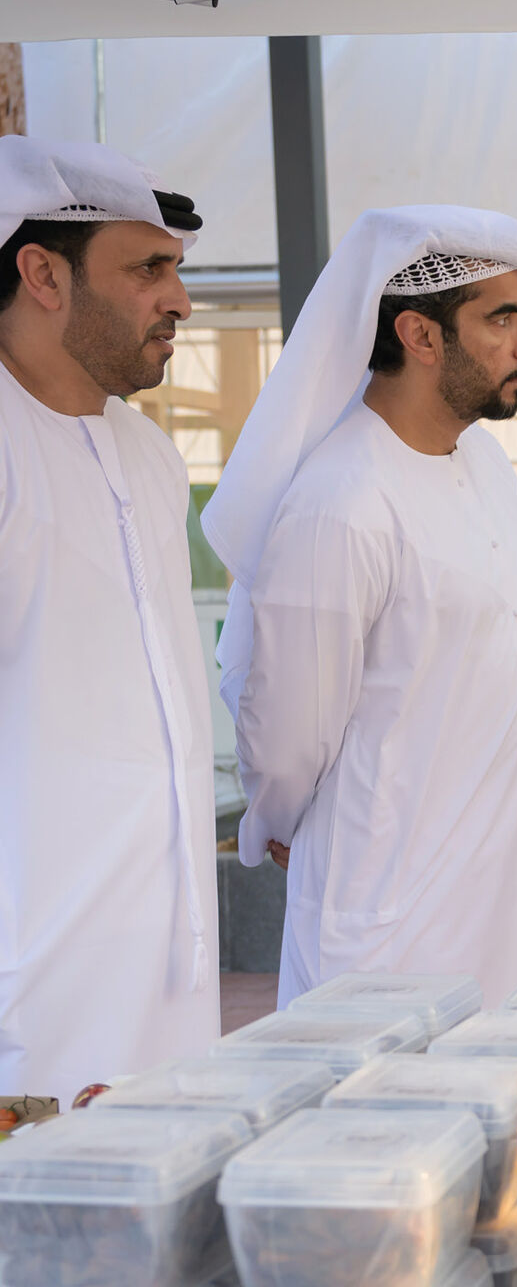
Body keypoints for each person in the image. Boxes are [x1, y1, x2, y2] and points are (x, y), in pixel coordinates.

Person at [202, 206, 517, 1007]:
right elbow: (286, 742)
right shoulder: (343, 498)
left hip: (510, 914)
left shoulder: (488, 464)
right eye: (503, 318)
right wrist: (304, 823)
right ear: (420, 334)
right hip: (389, 932)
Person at [0, 136, 218, 1099]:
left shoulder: (149, 456)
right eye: (148, 270)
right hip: (33, 974)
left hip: (170, 957)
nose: (178, 300)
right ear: (42, 273)